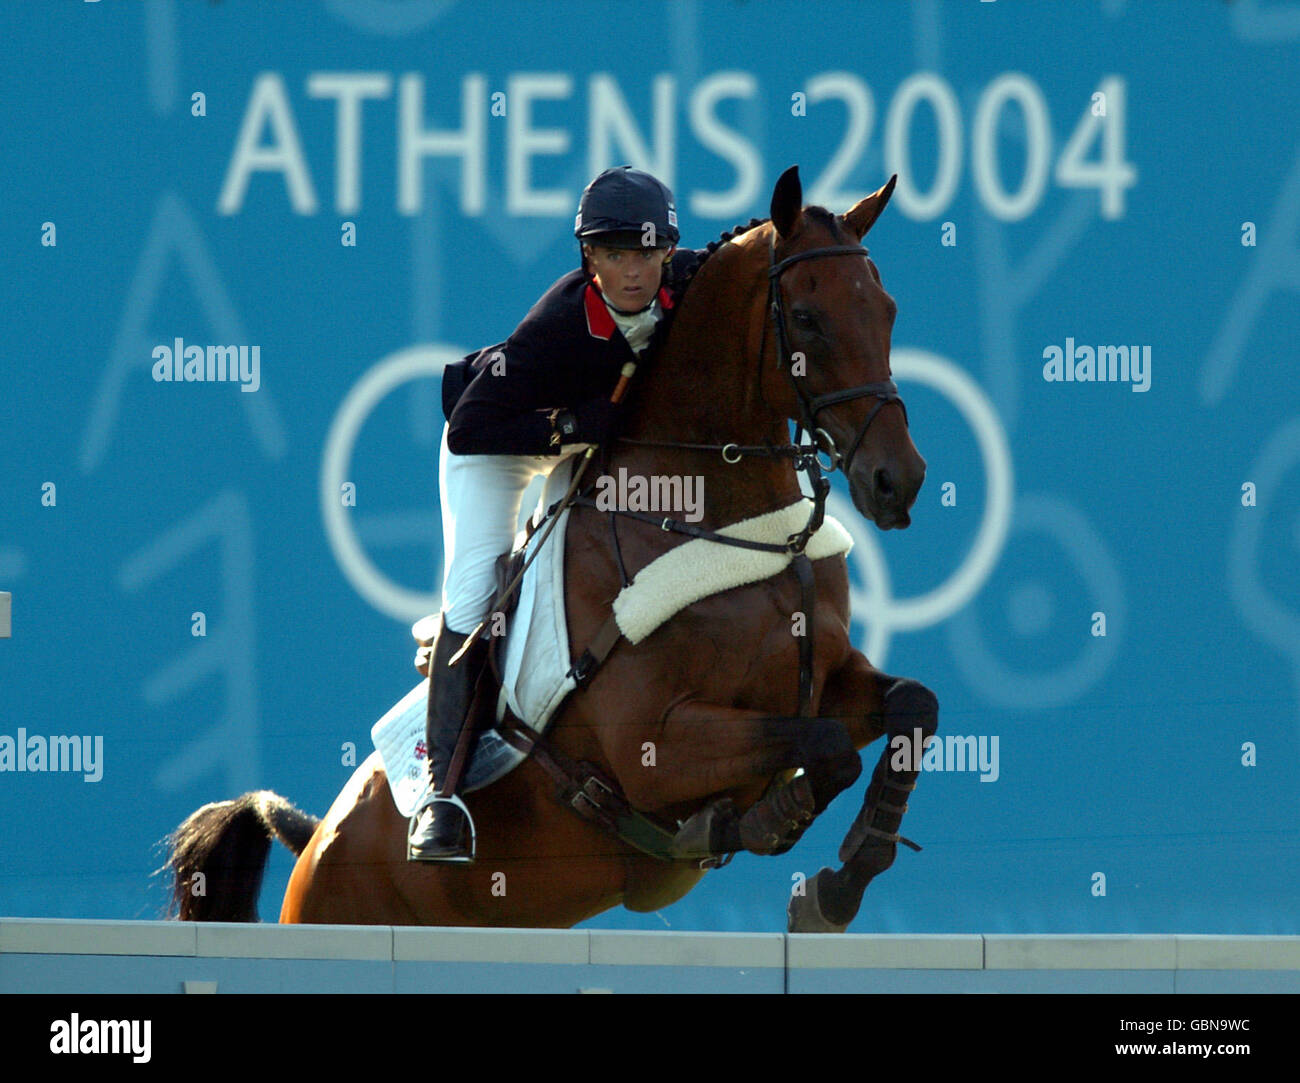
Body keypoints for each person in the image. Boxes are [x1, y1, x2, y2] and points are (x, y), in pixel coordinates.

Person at [408, 166, 704, 862]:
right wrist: (573, 420)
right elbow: (470, 427)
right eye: (614, 253)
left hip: (588, 441)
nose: (633, 270)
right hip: (501, 442)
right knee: (480, 591)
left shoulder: (689, 280)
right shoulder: (558, 323)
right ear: (588, 258)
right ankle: (438, 793)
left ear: (669, 251)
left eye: (647, 252)